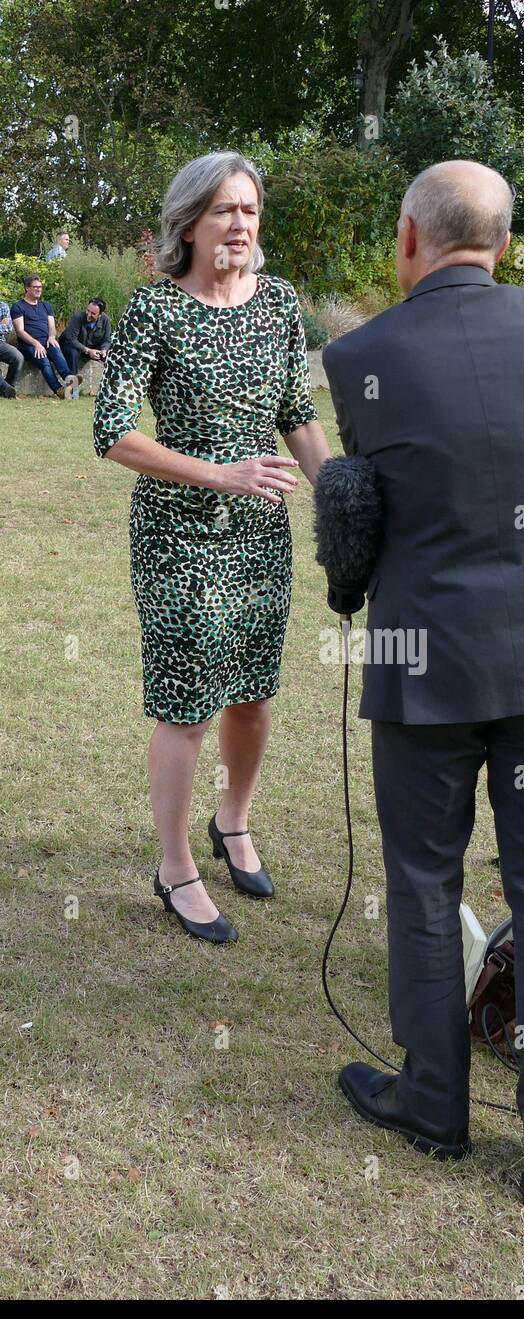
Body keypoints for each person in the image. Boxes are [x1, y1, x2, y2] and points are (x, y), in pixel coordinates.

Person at [323, 160, 524, 1205]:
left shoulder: (358, 356)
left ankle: (434, 1102)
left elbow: (384, 497)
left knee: (422, 884)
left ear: (405, 240)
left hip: (421, 656)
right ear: (503, 244)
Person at [93, 150, 332, 946]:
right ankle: (173, 867)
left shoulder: (281, 303)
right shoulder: (155, 310)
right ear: (189, 221)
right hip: (176, 534)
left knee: (254, 694)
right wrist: (220, 474)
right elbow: (114, 433)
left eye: (250, 210)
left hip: (261, 533)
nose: (239, 224)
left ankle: (233, 823)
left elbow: (298, 412)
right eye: (224, 210)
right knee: (187, 705)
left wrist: (337, 496)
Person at [10, 275, 80, 398]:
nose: (38, 289)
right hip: (28, 345)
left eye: (40, 287)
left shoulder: (46, 306)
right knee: (44, 362)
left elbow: (52, 327)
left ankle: (71, 382)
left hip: (47, 341)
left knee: (58, 356)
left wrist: (52, 337)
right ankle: (59, 390)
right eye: (35, 287)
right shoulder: (18, 307)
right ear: (27, 288)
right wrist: (36, 343)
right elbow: (20, 331)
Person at [59, 298, 112, 377]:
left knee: (110, 354)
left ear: (100, 314)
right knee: (73, 353)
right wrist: (88, 350)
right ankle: (73, 385)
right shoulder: (78, 317)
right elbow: (71, 339)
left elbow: (107, 340)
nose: (89, 315)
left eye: (93, 313)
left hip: (90, 346)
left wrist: (104, 350)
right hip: (70, 345)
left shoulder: (105, 320)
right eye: (88, 311)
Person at [0, 297, 23, 399]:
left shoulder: (3, 306)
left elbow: (8, 328)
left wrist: (4, 325)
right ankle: (5, 388)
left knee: (18, 357)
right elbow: (3, 327)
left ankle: (9, 387)